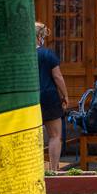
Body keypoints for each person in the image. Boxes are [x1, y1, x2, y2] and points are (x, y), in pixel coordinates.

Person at [36, 22, 69, 170]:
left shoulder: (22, 55)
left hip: (30, 99)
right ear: (39, 37)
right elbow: (57, 77)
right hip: (49, 96)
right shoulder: (48, 54)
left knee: (31, 136)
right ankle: (53, 170)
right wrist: (65, 96)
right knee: (55, 135)